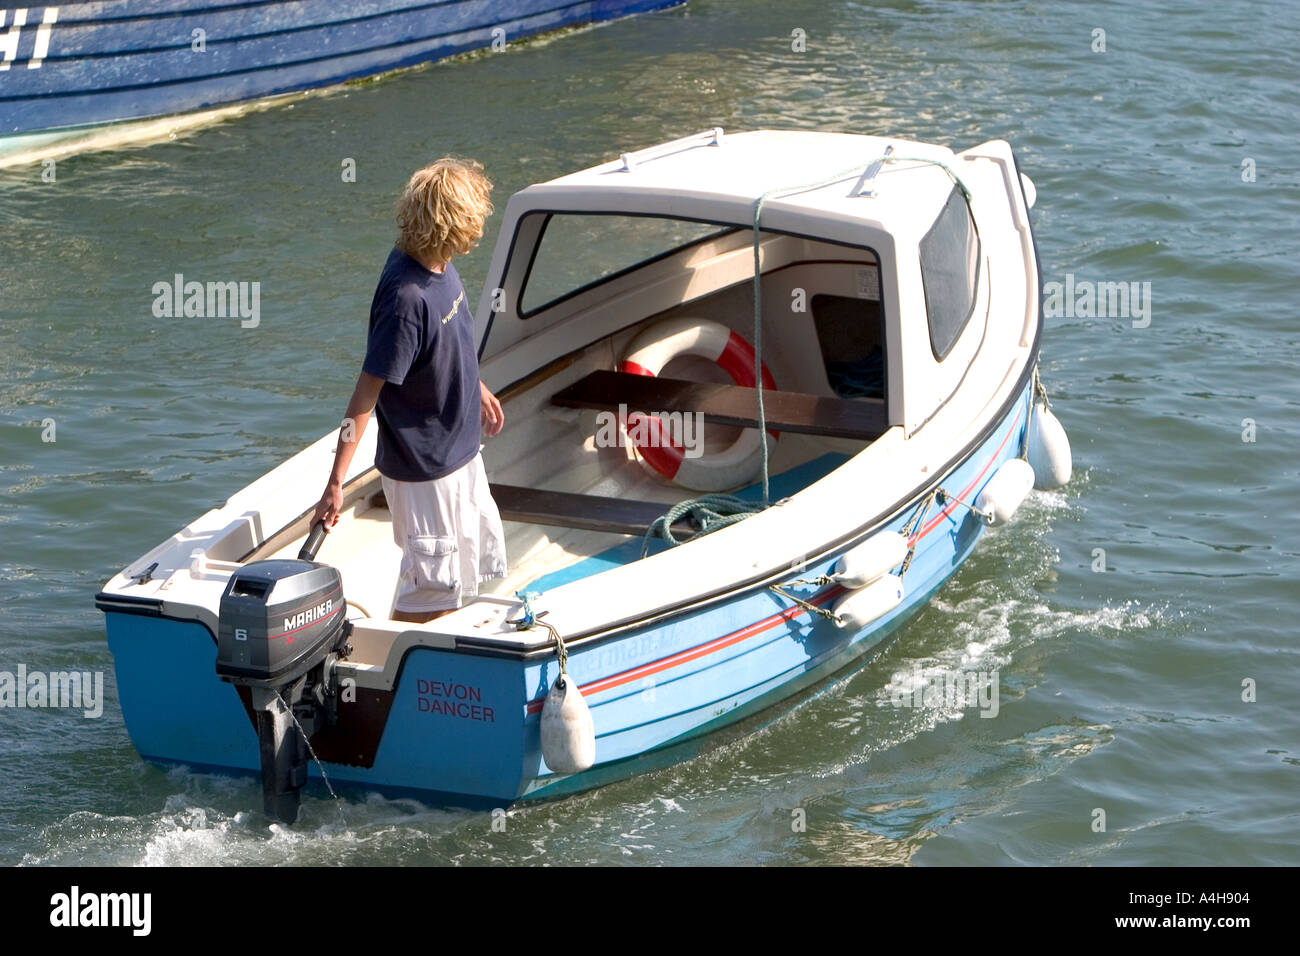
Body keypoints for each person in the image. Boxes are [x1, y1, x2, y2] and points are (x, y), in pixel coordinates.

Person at [312, 157, 507, 623]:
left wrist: (475, 386)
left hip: (460, 452)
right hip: (424, 471)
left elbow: (447, 339)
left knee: (467, 570)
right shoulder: (405, 299)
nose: (478, 231)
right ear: (451, 225)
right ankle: (400, 672)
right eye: (473, 221)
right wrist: (336, 482)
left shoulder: (439, 264)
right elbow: (365, 395)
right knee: (429, 590)